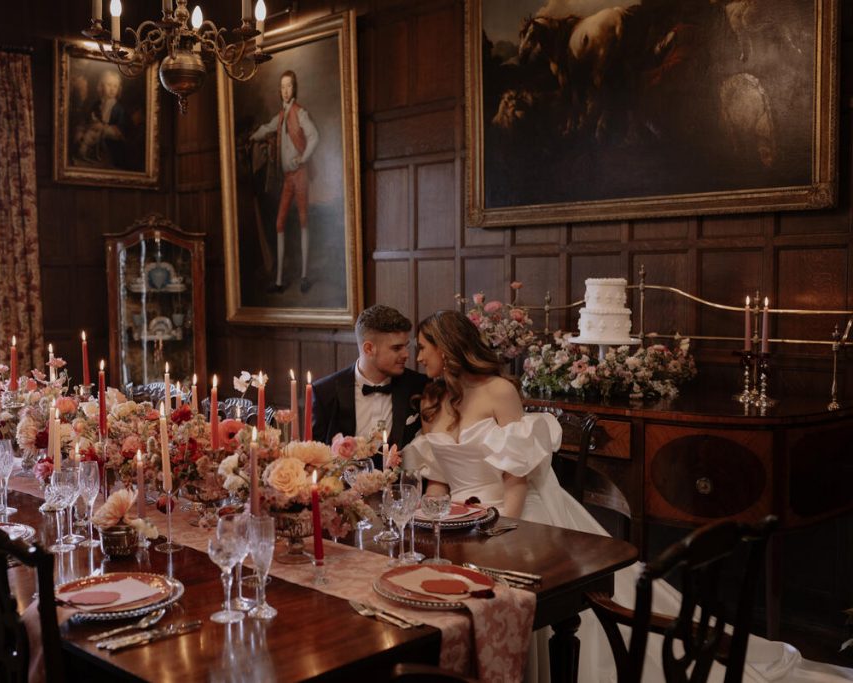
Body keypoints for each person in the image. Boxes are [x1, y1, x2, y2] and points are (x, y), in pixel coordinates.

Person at [403, 310, 853, 683]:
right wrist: (430, 519)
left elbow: (517, 478)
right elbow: (440, 478)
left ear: (445, 347)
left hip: (516, 516)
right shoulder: (436, 397)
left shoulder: (499, 391)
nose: (416, 355)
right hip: (457, 521)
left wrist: (501, 531)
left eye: (422, 346)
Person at [312, 305, 427, 463]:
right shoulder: (325, 392)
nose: (406, 354)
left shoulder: (420, 386)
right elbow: (315, 457)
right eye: (397, 348)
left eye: (406, 346)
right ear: (369, 348)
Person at [250, 70, 320, 294]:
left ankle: (305, 276)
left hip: (300, 174)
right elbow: (266, 129)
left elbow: (314, 137)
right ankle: (280, 280)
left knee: (302, 222)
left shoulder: (301, 114)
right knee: (279, 224)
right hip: (288, 178)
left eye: (288, 86)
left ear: (294, 88)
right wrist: (251, 137)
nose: (285, 90)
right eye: (282, 87)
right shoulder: (280, 117)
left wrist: (303, 157)